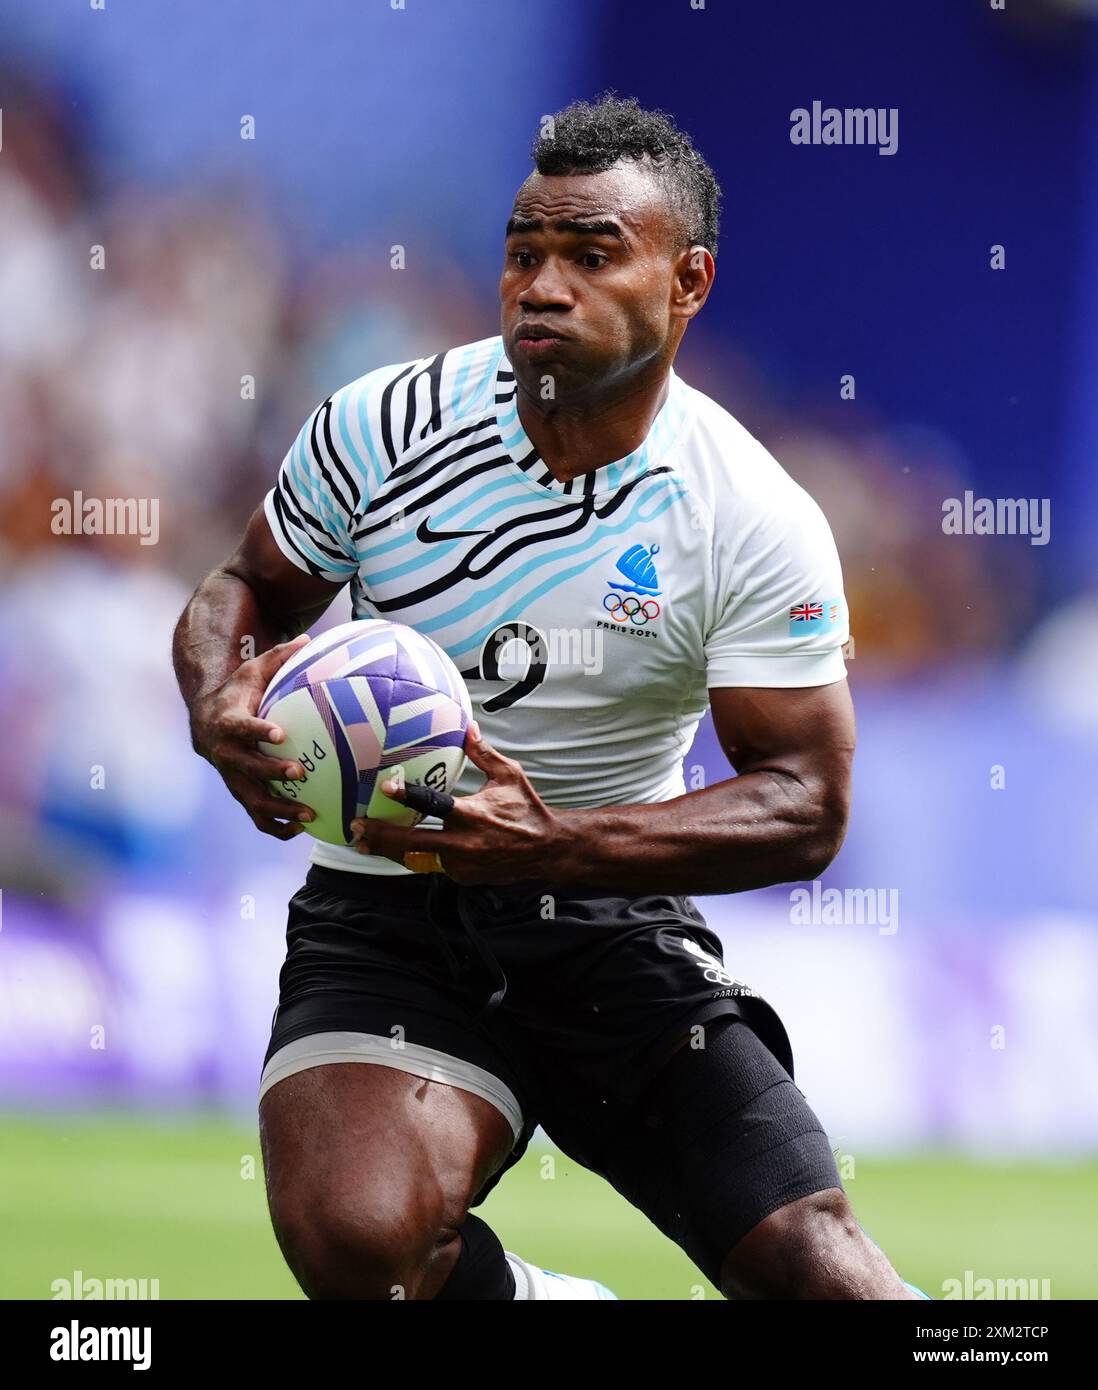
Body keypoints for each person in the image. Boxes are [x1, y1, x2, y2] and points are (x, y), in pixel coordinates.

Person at [173, 94, 928, 1300]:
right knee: (358, 1245)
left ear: (688, 282)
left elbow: (806, 804)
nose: (541, 286)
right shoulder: (380, 424)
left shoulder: (750, 511)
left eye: (591, 255)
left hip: (610, 922)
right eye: (525, 251)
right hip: (386, 914)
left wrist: (555, 842)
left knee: (823, 1275)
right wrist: (217, 700)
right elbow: (247, 586)